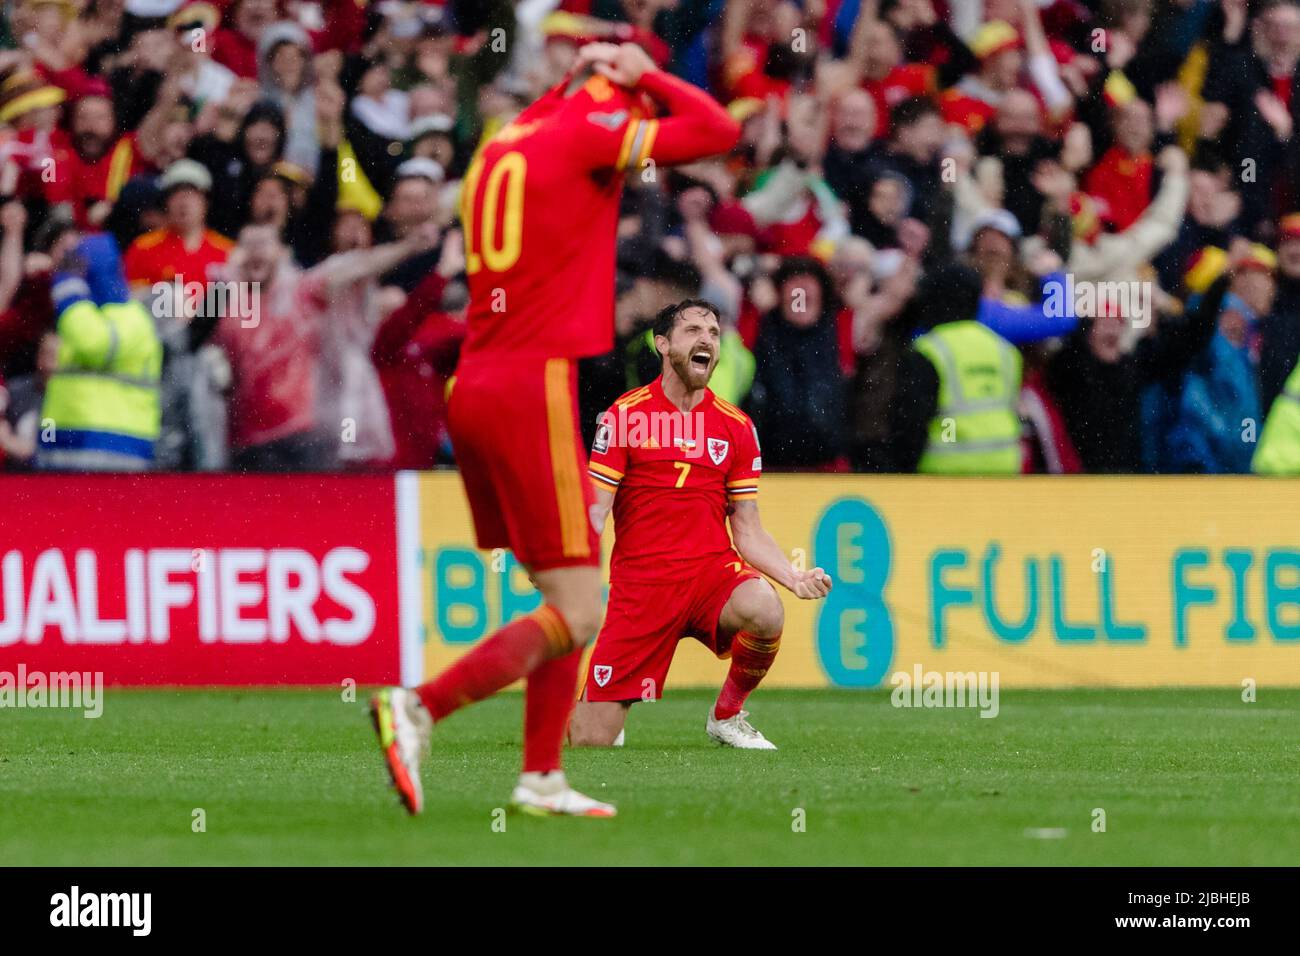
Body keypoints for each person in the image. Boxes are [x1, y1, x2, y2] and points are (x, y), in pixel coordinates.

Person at [367, 41, 741, 818]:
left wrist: (590, 73)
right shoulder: (595, 129)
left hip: (473, 381)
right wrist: (651, 78)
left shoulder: (509, 137)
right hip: (532, 384)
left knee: (558, 595)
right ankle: (419, 707)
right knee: (578, 610)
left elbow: (559, 107)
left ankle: (542, 775)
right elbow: (715, 131)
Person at [569, 299, 832, 750]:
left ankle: (727, 715)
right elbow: (597, 509)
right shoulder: (625, 417)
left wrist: (791, 576)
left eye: (713, 331)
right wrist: (566, 558)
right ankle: (588, 709)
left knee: (766, 607)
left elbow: (747, 529)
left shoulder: (736, 427)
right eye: (692, 330)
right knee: (591, 743)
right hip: (643, 589)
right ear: (663, 344)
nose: (707, 338)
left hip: (711, 576)